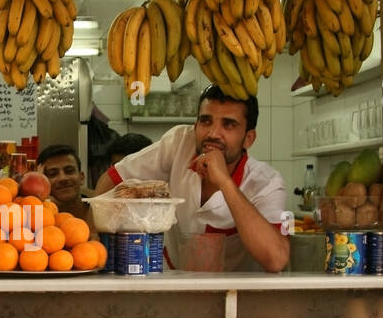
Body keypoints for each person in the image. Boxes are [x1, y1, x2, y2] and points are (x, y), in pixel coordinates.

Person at [93, 85, 289, 272]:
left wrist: (225, 183)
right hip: (174, 283)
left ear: (249, 139)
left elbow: (275, 259)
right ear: (195, 125)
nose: (213, 134)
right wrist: (93, 237)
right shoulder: (180, 141)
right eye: (205, 121)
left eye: (228, 125)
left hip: (235, 295)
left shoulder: (267, 183)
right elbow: (112, 178)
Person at [36, 143, 96, 230]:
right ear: (43, 181)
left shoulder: (99, 211)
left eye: (69, 171)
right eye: (53, 174)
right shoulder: (36, 218)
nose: (62, 178)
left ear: (82, 177)